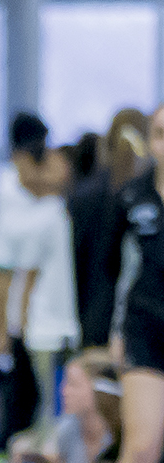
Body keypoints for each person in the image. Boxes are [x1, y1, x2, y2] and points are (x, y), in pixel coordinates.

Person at [96, 101, 164, 463]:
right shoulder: (132, 196)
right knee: (141, 445)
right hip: (144, 330)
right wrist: (112, 333)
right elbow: (110, 270)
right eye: (159, 133)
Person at [0, 112, 79, 436]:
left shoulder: (57, 209)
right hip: (32, 322)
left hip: (48, 321)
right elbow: (10, 269)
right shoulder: (15, 195)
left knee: (49, 414)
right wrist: (6, 327)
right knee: (34, 411)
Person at [69, 108, 148, 348]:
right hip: (138, 324)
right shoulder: (144, 200)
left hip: (90, 315)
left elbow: (76, 263)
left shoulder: (82, 196)